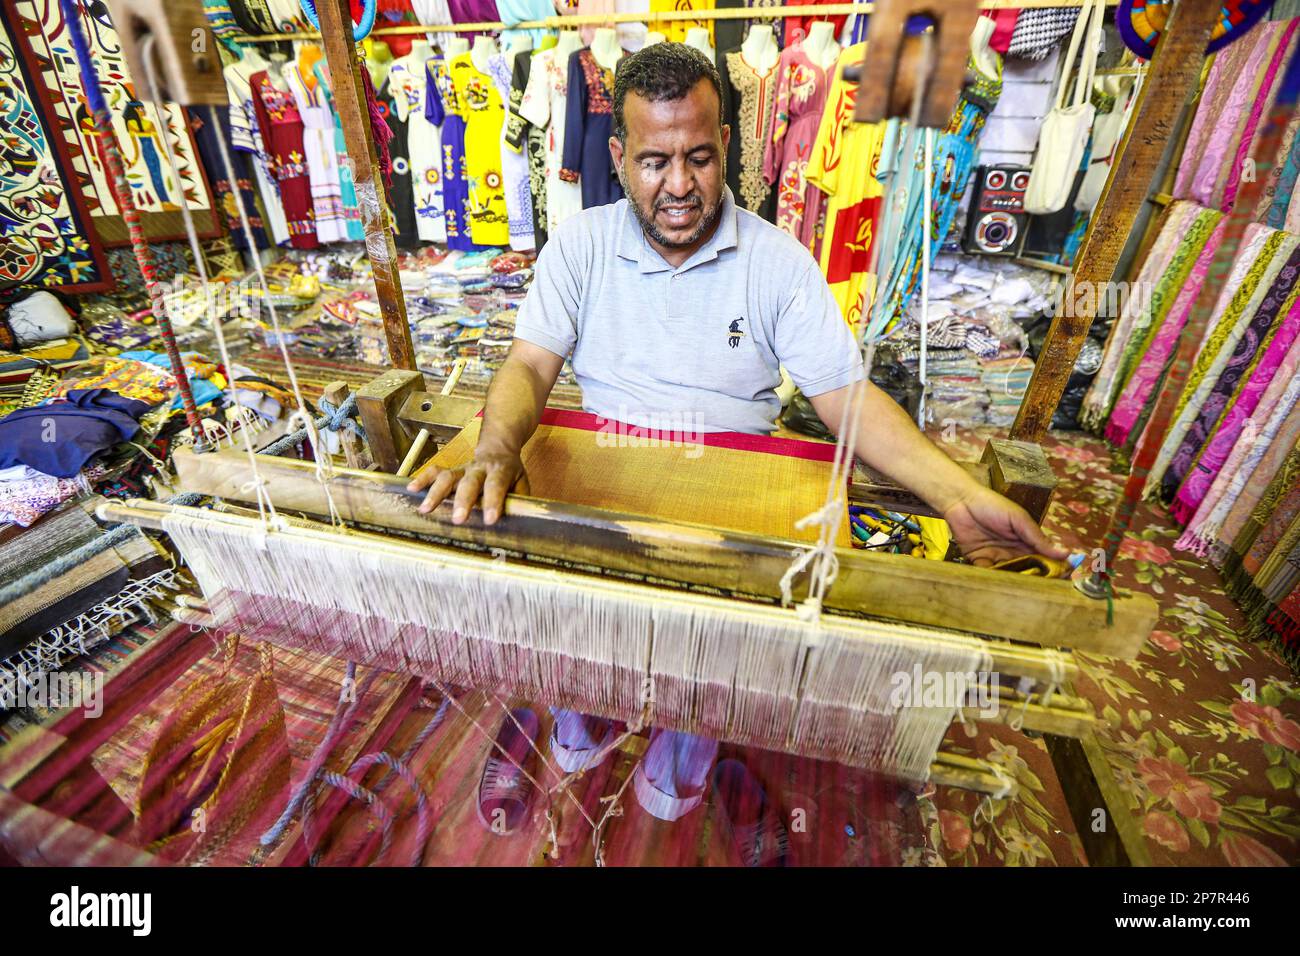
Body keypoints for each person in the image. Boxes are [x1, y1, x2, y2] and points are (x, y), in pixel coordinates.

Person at [408, 43, 1066, 828]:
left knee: (705, 660)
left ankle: (686, 739)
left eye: (698, 157)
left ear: (726, 144)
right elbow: (527, 365)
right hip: (602, 500)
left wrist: (957, 495)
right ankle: (583, 710)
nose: (679, 185)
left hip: (727, 518)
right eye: (654, 161)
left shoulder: (777, 262)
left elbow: (846, 398)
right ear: (617, 157)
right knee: (578, 636)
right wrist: (495, 448)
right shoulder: (579, 248)